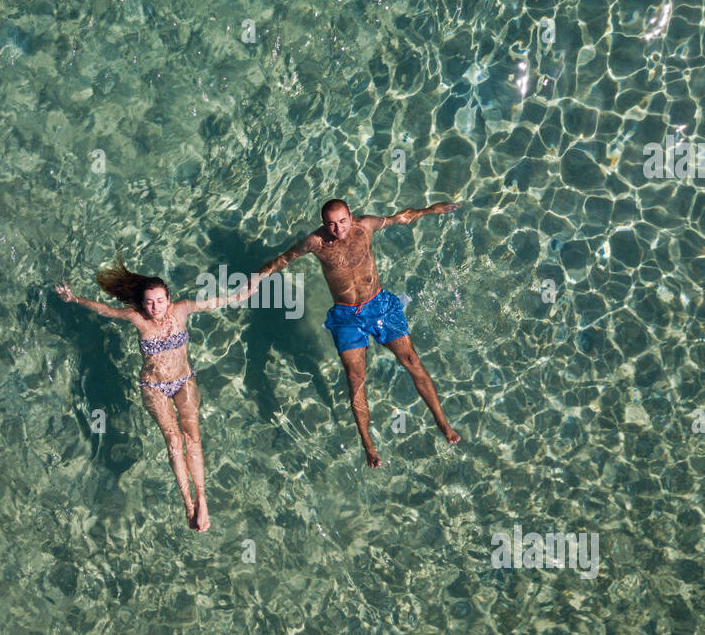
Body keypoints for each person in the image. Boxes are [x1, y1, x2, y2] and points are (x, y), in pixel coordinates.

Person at [255, 198, 462, 466]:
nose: (338, 229)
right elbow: (283, 259)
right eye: (330, 224)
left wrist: (430, 210)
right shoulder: (316, 243)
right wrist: (255, 279)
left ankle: (442, 423)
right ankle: (369, 445)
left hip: (380, 305)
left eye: (342, 221)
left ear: (350, 216)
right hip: (345, 315)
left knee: (411, 360)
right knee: (355, 378)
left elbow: (399, 217)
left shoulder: (365, 226)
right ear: (323, 223)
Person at [54, 262, 257, 530]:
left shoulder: (181, 310)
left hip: (184, 381)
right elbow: (106, 310)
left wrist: (239, 296)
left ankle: (202, 497)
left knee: (192, 437)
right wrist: (74, 299)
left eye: (160, 300)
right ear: (142, 304)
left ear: (168, 299)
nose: (155, 307)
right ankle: (189, 503)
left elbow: (210, 302)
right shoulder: (138, 319)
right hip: (154, 388)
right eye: (149, 303)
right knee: (174, 441)